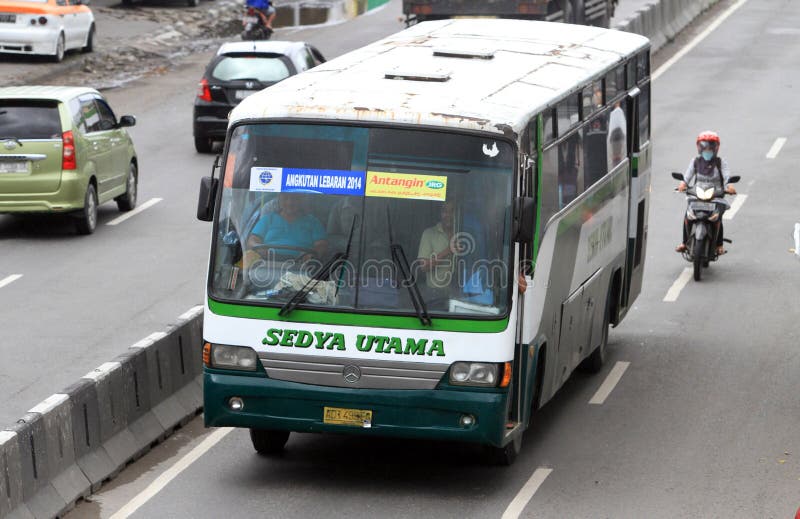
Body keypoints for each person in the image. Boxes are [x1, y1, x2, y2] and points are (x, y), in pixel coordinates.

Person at [675, 131, 737, 255]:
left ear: (716, 147)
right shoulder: (695, 161)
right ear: (699, 147)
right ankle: (684, 242)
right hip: (697, 195)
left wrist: (729, 186)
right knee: (688, 215)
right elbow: (687, 177)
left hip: (715, 197)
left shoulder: (721, 162)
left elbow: (726, 177)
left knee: (717, 217)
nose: (707, 149)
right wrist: (682, 184)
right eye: (704, 146)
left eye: (710, 146)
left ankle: (719, 245)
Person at [246, 193, 327, 262]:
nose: (289, 202)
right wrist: (260, 249)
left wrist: (311, 256)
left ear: (301, 200)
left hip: (301, 267)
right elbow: (252, 241)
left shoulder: (313, 222)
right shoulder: (268, 219)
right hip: (268, 265)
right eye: (285, 198)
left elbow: (321, 245)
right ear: (279, 198)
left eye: (295, 199)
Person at [417, 200, 464, 293]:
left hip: (461, 295)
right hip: (435, 294)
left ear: (458, 214)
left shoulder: (463, 233)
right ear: (439, 213)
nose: (448, 215)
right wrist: (448, 250)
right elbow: (424, 267)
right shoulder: (429, 234)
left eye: (452, 211)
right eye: (445, 211)